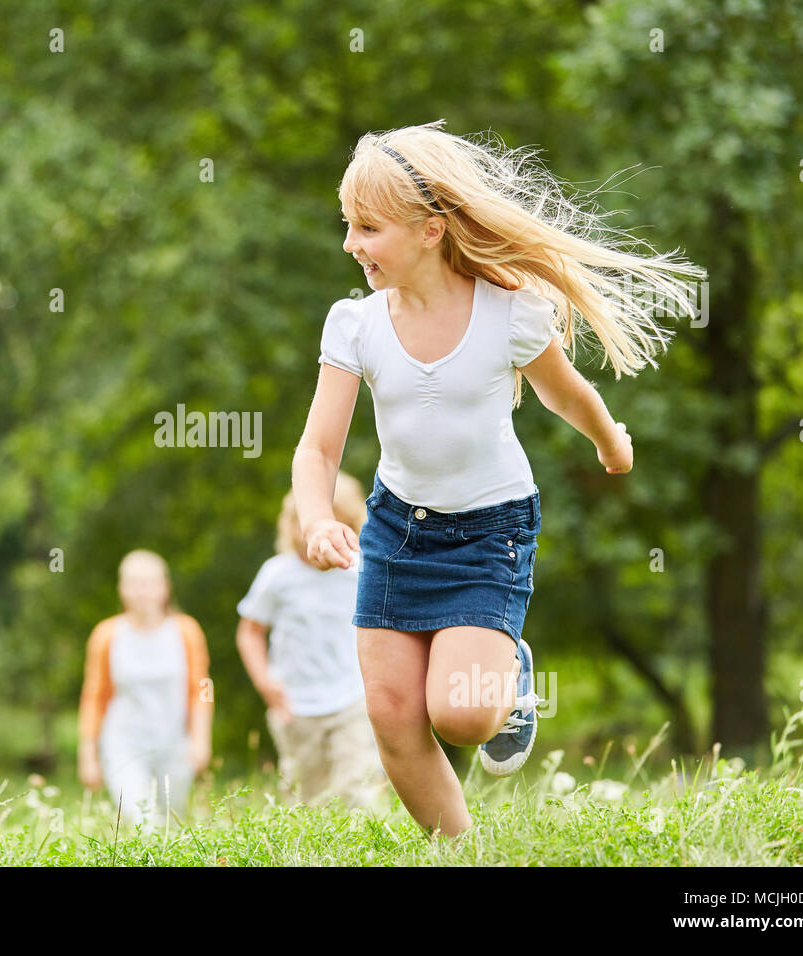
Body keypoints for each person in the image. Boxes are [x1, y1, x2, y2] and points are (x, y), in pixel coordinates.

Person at [292, 120, 705, 838]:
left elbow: (564, 392)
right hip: (396, 530)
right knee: (393, 713)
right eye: (347, 225)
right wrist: (316, 517)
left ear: (431, 230)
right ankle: (462, 853)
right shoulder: (353, 325)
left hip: (491, 532)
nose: (350, 244)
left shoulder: (507, 314)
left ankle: (509, 670)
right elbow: (317, 451)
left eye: (368, 228)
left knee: (460, 714)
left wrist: (612, 440)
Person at [236, 471, 388, 812]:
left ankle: (362, 850)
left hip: (352, 697)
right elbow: (250, 632)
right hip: (296, 701)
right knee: (307, 793)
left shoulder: (362, 570)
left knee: (356, 784)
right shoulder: (278, 574)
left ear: (349, 527)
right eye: (301, 525)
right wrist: (266, 683)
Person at [77, 549, 213, 828]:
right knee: (143, 820)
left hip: (174, 743)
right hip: (123, 744)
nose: (142, 591)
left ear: (164, 588)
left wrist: (201, 738)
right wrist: (88, 753)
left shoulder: (186, 631)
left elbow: (202, 690)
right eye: (134, 583)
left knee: (172, 823)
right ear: (122, 589)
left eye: (149, 583)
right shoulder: (106, 635)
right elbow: (94, 696)